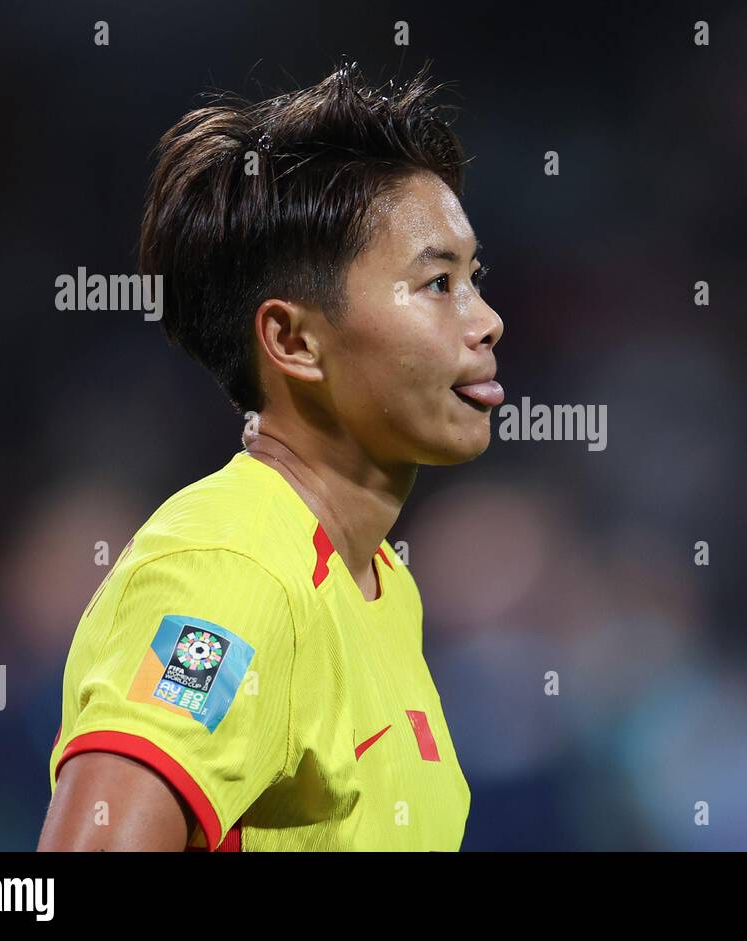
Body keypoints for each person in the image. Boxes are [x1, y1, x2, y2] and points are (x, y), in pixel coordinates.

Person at [37, 61, 503, 851]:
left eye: (474, 277)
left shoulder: (381, 586)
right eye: (436, 284)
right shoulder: (231, 570)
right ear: (293, 341)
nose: (485, 319)